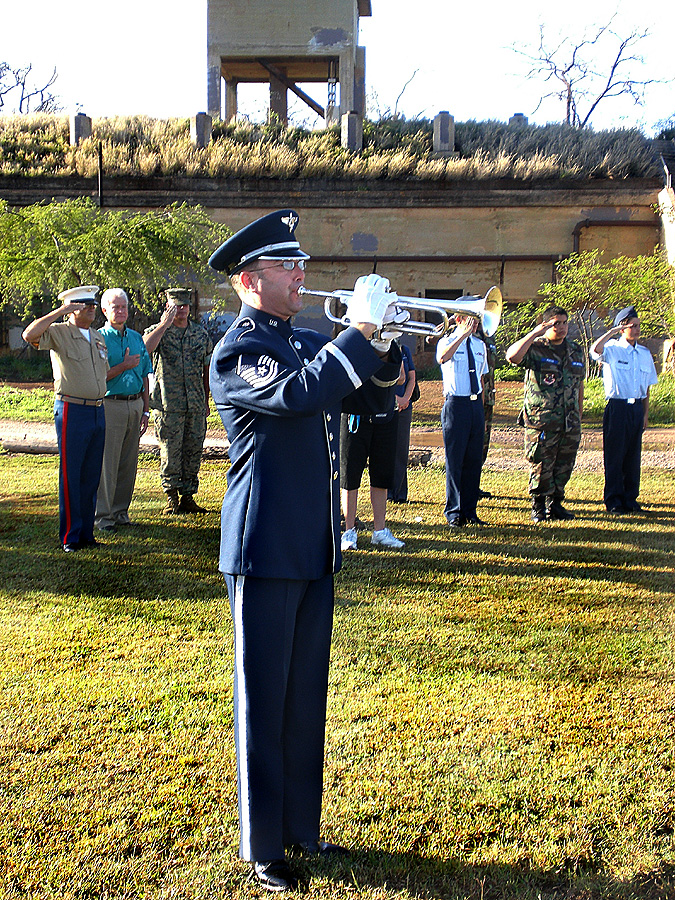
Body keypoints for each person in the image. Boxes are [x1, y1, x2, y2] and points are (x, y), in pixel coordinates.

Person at [208, 209, 395, 893]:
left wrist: (387, 334)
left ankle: (300, 825)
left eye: (302, 264)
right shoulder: (240, 348)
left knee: (302, 695)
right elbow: (297, 393)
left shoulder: (297, 337)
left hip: (311, 544)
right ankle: (263, 846)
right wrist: (360, 333)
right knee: (263, 698)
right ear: (252, 279)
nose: (303, 274)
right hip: (263, 546)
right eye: (290, 267)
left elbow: (357, 380)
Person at [21, 286, 108, 552]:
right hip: (73, 409)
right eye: (85, 304)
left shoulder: (97, 337)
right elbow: (29, 335)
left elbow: (103, 373)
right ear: (72, 308)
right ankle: (70, 535)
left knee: (91, 475)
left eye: (93, 304)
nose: (91, 308)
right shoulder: (60, 332)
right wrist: (60, 312)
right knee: (72, 473)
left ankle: (86, 534)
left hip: (97, 409)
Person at [506, 306, 585, 523]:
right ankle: (538, 506)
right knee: (541, 463)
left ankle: (555, 504)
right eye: (555, 323)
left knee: (564, 464)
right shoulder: (537, 348)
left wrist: (578, 413)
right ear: (546, 324)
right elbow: (512, 356)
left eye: (564, 322)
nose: (561, 327)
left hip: (569, 420)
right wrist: (533, 334)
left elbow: (579, 385)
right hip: (542, 421)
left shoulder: (575, 350)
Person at [143, 289, 213, 514]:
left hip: (194, 403)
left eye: (184, 306)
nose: (181, 310)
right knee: (170, 451)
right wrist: (164, 325)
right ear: (167, 308)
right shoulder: (157, 331)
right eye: (176, 306)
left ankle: (188, 496)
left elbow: (206, 369)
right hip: (168, 405)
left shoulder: (200, 334)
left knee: (193, 451)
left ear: (190, 308)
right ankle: (171, 497)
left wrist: (205, 400)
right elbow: (144, 349)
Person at [340, 333, 406, 551]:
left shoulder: (392, 343)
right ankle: (349, 531)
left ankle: (379, 531)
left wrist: (385, 347)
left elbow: (401, 377)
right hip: (354, 417)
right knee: (350, 475)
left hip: (384, 415)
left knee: (382, 475)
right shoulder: (350, 338)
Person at [590, 305, 658, 513]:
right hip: (617, 408)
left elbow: (646, 387)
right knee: (615, 455)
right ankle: (614, 500)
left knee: (632, 456)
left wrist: (645, 413)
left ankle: (630, 499)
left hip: (636, 408)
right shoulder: (612, 348)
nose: (636, 329)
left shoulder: (644, 353)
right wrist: (611, 331)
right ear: (622, 328)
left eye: (638, 325)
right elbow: (594, 351)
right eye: (632, 326)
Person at [95, 288, 153, 532]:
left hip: (134, 404)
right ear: (105, 310)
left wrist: (146, 409)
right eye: (115, 307)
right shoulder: (98, 338)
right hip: (111, 405)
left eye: (123, 307)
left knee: (128, 462)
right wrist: (124, 365)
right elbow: (97, 377)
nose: (120, 311)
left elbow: (144, 374)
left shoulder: (136, 338)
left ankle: (121, 513)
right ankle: (104, 517)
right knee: (108, 463)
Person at [436, 310, 489, 527]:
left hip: (475, 404)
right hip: (455, 403)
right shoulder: (447, 341)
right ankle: (454, 512)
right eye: (471, 320)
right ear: (459, 320)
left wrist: (482, 412)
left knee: (474, 460)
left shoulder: (479, 346)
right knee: (455, 460)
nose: (475, 325)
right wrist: (461, 335)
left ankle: (470, 510)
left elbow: (481, 379)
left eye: (477, 321)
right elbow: (442, 358)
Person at [387, 339, 416, 504]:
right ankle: (387, 492)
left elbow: (411, 377)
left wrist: (405, 398)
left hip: (404, 406)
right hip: (386, 404)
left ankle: (400, 492)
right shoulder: (378, 348)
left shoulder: (404, 349)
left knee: (401, 450)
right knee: (386, 450)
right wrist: (395, 398)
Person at [477, 322, 496, 500]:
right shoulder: (459, 334)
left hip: (488, 397)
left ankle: (475, 484)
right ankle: (464, 486)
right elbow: (431, 338)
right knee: (469, 445)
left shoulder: (488, 335)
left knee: (483, 445)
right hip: (472, 397)